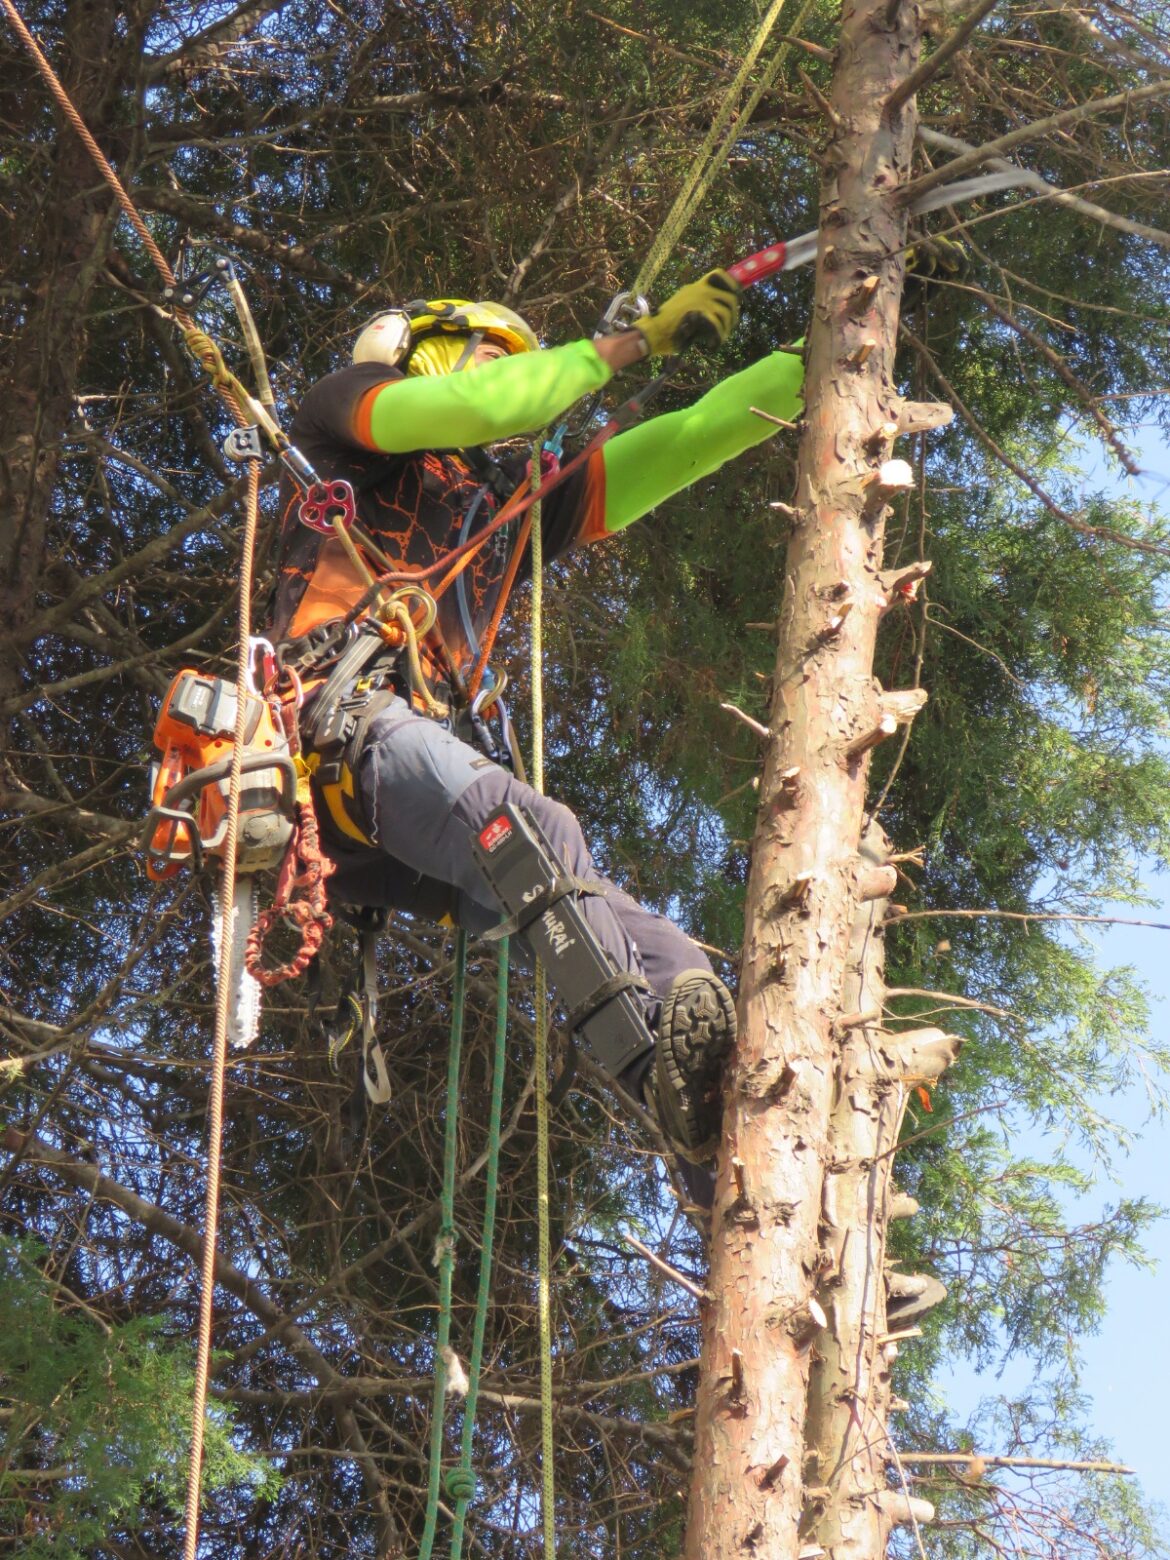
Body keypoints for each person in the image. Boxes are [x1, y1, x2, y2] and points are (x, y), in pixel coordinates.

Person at [268, 274, 804, 1188]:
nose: (511, 377)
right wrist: (626, 348)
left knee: (649, 941)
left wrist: (822, 358)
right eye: (492, 351)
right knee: (539, 834)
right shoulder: (344, 419)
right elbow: (472, 406)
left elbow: (695, 437)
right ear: (419, 349)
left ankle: (735, 1168)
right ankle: (658, 1085)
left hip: (391, 793)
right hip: (330, 727)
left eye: (523, 361)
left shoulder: (506, 506)